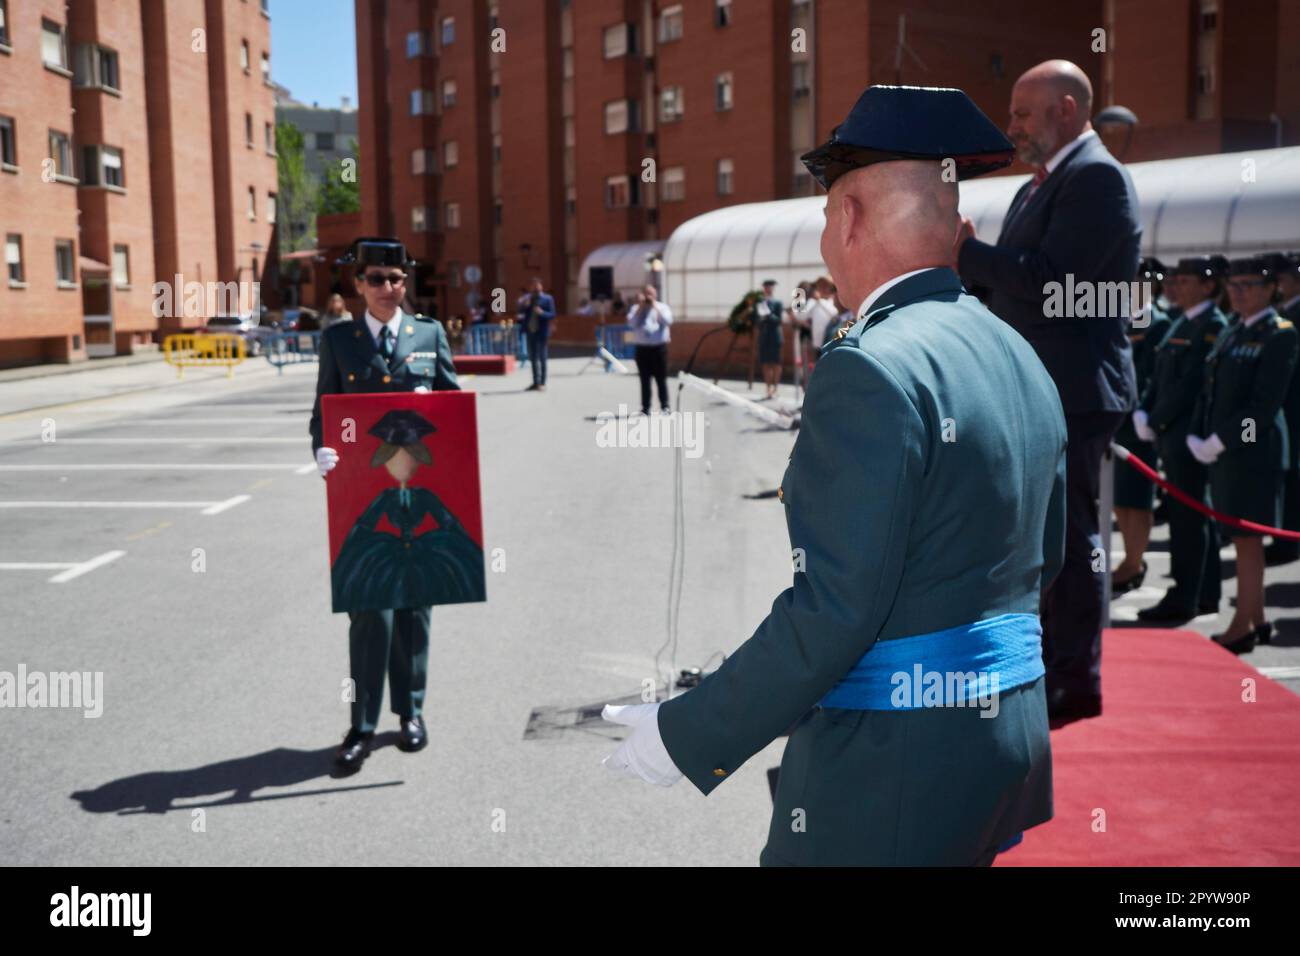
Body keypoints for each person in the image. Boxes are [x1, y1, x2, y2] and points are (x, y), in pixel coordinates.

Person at [602, 85, 1066, 867]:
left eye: (824, 216)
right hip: (1001, 741)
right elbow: (1041, 562)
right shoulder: (1016, 350)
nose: (824, 238)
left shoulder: (871, 366)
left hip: (894, 762)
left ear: (848, 217)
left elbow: (834, 610)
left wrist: (684, 733)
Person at [956, 59, 1139, 725]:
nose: (1011, 127)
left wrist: (965, 255)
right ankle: (1046, 663)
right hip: (1040, 387)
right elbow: (1019, 287)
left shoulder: (1094, 179)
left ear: (1066, 109)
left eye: (1022, 114)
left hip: (1073, 390)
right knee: (1042, 539)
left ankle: (1074, 681)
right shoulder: (1041, 186)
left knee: (1070, 538)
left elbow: (1054, 283)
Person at [309, 237, 460, 774]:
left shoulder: (429, 334)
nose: (388, 289)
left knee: (416, 609)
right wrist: (322, 452)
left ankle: (411, 714)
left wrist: (437, 412)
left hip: (418, 495)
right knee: (370, 613)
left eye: (396, 279)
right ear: (357, 285)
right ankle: (362, 725)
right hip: (362, 498)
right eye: (376, 278)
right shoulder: (340, 341)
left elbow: (454, 409)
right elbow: (321, 413)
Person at [1188, 255, 1298, 653]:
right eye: (1233, 285)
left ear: (1271, 289)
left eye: (1248, 285)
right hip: (1230, 451)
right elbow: (1214, 388)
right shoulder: (1233, 330)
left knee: (1248, 540)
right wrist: (1204, 434)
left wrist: (1222, 440)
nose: (1237, 292)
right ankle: (1257, 617)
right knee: (1240, 537)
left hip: (1254, 452)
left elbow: (1263, 406)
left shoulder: (1279, 332)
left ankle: (1242, 625)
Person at [1133, 256, 1229, 622]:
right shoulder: (1182, 323)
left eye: (1185, 280)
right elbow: (1159, 378)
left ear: (1207, 285)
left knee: (1190, 517)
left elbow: (1190, 385)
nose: (1175, 286)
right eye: (1175, 279)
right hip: (1171, 434)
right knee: (1186, 515)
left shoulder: (1211, 326)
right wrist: (1145, 410)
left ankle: (1188, 595)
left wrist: (1153, 419)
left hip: (1187, 435)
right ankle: (1201, 592)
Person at [331, 409, 485, 612]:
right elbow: (365, 523)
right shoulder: (386, 497)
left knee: (419, 610)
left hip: (425, 553)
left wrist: (465, 547)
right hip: (388, 557)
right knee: (376, 606)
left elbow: (447, 521)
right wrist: (351, 551)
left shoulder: (424, 496)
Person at [1112, 258, 1174, 594]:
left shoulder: (1159, 322)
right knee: (1120, 497)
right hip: (1120, 417)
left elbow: (1156, 374)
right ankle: (1129, 560)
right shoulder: (1119, 317)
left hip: (1142, 419)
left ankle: (1135, 560)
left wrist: (1144, 411)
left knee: (1138, 496)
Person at [1266, 252, 1300, 563]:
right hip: (1287, 406)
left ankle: (1289, 540)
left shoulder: (1292, 318)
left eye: (1283, 278)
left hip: (1293, 407)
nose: (1278, 284)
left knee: (1293, 475)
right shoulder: (1283, 313)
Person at [627, 284, 673, 415]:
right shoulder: (636, 308)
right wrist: (641, 307)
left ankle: (665, 406)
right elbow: (631, 323)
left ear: (655, 294)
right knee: (644, 380)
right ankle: (645, 408)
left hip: (659, 349)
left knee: (661, 379)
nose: (648, 296)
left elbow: (668, 321)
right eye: (646, 293)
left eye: (651, 293)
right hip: (642, 349)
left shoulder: (662, 307)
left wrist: (654, 306)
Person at [517, 277, 556, 391]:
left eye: (537, 285)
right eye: (533, 285)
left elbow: (552, 314)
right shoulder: (528, 299)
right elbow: (520, 313)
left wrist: (542, 313)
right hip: (530, 331)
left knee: (542, 357)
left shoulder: (548, 299)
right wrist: (524, 305)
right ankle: (535, 382)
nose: (535, 287)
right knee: (532, 358)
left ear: (541, 286)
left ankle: (542, 383)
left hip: (541, 332)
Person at [753, 279, 784, 400]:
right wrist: (760, 319)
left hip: (775, 335)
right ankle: (768, 387)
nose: (768, 289)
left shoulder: (777, 303)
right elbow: (756, 321)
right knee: (765, 363)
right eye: (766, 287)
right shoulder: (760, 303)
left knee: (776, 363)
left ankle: (775, 387)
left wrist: (768, 314)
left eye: (770, 287)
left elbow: (779, 320)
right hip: (764, 336)